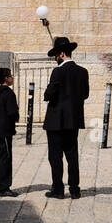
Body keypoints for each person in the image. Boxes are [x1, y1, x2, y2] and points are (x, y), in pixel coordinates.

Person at [43, 35, 89, 200]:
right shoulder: (83, 72)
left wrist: (49, 93)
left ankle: (58, 189)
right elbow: (85, 94)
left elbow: (49, 94)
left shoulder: (58, 71)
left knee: (55, 157)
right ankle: (75, 190)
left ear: (61, 54)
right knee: (72, 156)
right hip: (73, 121)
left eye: (56, 55)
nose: (55, 58)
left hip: (56, 122)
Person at [0, 67, 18, 196]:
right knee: (5, 158)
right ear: (6, 78)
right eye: (10, 75)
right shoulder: (9, 93)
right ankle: (4, 187)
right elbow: (12, 113)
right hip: (5, 131)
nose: (12, 77)